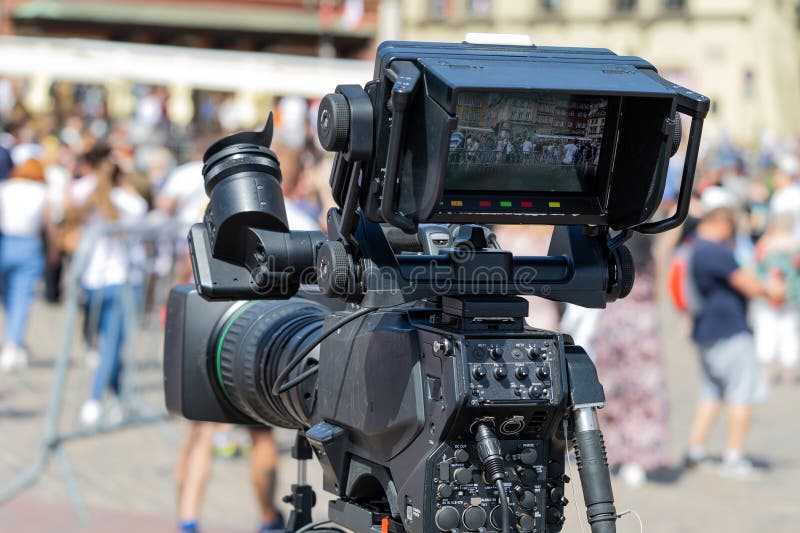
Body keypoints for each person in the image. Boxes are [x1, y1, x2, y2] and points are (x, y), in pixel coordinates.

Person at [684, 207, 782, 477]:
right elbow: (749, 285)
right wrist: (771, 289)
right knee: (742, 391)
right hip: (729, 329)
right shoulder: (714, 250)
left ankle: (696, 449)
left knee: (712, 390)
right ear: (724, 224)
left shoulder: (694, 246)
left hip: (706, 329)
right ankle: (734, 456)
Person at [70, 147, 148, 426]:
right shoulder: (128, 202)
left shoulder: (89, 196)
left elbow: (74, 194)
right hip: (120, 280)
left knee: (108, 345)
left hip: (95, 280)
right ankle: (95, 399)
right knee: (112, 346)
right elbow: (139, 206)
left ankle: (118, 398)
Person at [590, 235, 668, 487]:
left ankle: (614, 453)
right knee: (643, 397)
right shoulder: (646, 253)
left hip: (611, 321)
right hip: (641, 324)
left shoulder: (609, 248)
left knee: (611, 394)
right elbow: (656, 288)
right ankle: (640, 457)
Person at [0, 159, 51, 370]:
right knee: (22, 296)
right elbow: (49, 224)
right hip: (29, 244)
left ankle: (13, 340)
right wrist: (53, 250)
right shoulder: (41, 192)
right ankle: (13, 343)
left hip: (7, 243)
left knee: (10, 296)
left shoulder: (6, 189)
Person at [752, 216, 800, 383]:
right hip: (770, 298)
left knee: (783, 332)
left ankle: (783, 368)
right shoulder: (765, 248)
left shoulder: (791, 249)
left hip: (786, 298)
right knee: (773, 331)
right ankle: (773, 368)